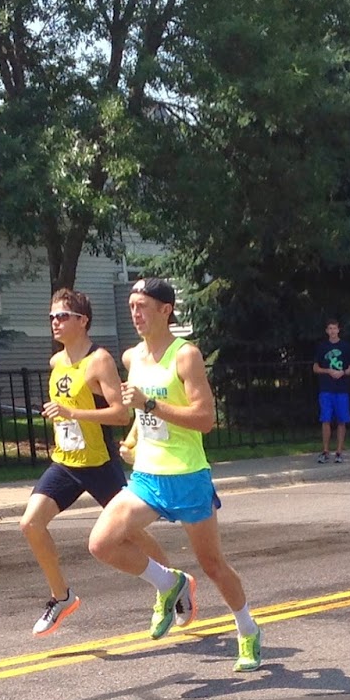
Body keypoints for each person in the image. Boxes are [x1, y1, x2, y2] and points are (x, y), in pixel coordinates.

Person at [87, 278, 261, 673]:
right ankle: (169, 584)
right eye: (132, 305)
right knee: (101, 543)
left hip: (186, 475)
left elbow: (204, 420)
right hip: (147, 475)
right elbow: (140, 413)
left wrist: (152, 404)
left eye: (143, 305)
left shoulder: (186, 356)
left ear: (166, 310)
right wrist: (133, 437)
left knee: (213, 564)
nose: (135, 312)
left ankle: (247, 629)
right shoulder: (132, 357)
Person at [22, 289, 181, 636]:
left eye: (62, 316)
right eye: (51, 317)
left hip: (99, 463)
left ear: (83, 321)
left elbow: (121, 414)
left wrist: (72, 412)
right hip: (66, 463)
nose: (55, 323)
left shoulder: (100, 361)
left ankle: (173, 586)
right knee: (30, 524)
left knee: (132, 534)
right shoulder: (56, 362)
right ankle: (61, 596)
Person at [312, 319, 350, 464]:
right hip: (326, 388)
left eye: (334, 328)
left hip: (341, 389)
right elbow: (316, 368)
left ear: (339, 330)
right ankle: (325, 450)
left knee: (342, 420)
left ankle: (339, 451)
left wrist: (342, 372)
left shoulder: (346, 347)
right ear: (327, 331)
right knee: (326, 420)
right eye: (330, 328)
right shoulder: (322, 347)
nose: (332, 331)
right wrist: (328, 371)